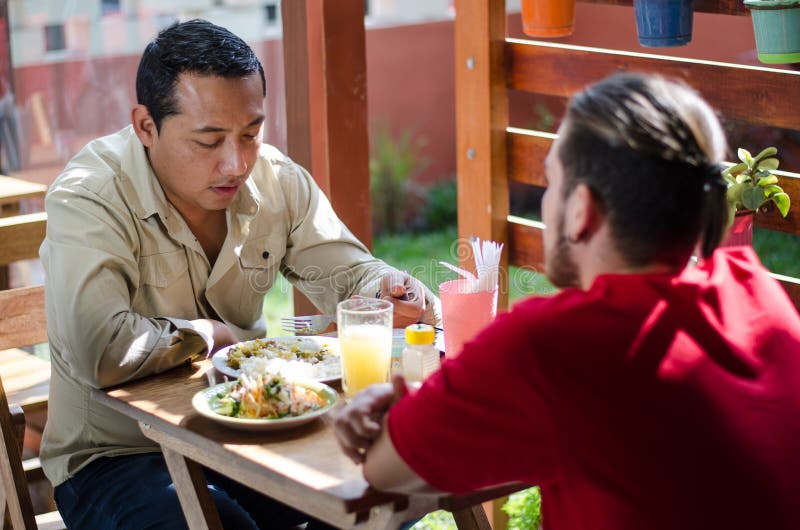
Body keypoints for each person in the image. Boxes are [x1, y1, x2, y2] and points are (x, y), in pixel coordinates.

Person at [333, 73, 800, 530]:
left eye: (549, 180)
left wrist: (392, 414)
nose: (545, 200)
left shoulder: (553, 344)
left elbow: (385, 468)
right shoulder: (758, 292)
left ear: (581, 210)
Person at [39, 19, 438, 529]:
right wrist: (209, 335)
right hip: (118, 457)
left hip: (250, 436)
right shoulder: (90, 196)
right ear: (145, 126)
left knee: (390, 486)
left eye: (250, 134)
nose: (236, 163)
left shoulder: (276, 181)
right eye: (209, 141)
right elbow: (101, 349)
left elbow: (350, 273)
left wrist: (384, 289)